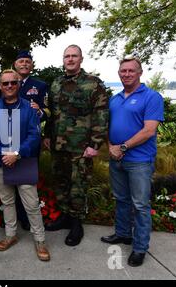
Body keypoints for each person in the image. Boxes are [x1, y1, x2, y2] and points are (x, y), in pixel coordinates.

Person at [101, 55, 163, 267]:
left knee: (140, 205)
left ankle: (139, 248)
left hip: (139, 161)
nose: (126, 74)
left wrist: (123, 147)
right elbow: (107, 127)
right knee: (121, 199)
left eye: (131, 71)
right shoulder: (115, 98)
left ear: (140, 72)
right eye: (123, 71)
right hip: (116, 158)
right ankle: (123, 234)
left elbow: (149, 130)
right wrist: (110, 147)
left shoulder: (152, 97)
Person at [43, 44, 109, 246]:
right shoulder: (56, 83)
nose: (70, 59)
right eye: (67, 56)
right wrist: (47, 135)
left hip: (81, 147)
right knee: (61, 183)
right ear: (63, 60)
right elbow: (51, 113)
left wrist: (95, 144)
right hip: (58, 145)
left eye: (74, 56)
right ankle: (64, 217)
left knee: (78, 186)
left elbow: (102, 115)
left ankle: (76, 223)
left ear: (81, 59)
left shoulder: (93, 84)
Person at [0, 69, 50, 261]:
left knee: (31, 204)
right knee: (7, 202)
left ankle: (40, 240)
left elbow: (34, 135)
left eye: (13, 82)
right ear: (0, 86)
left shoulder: (30, 108)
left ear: (19, 84)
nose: (9, 86)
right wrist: (2, 154)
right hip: (1, 161)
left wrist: (17, 153)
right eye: (5, 83)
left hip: (24, 161)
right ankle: (10, 235)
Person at [13, 50, 50, 231]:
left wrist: (40, 111)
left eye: (28, 61)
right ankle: (12, 216)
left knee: (26, 182)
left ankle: (26, 217)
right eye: (21, 61)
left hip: (29, 140)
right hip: (9, 138)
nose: (25, 64)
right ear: (15, 64)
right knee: (9, 181)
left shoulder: (40, 85)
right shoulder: (6, 82)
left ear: (32, 65)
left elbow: (48, 111)